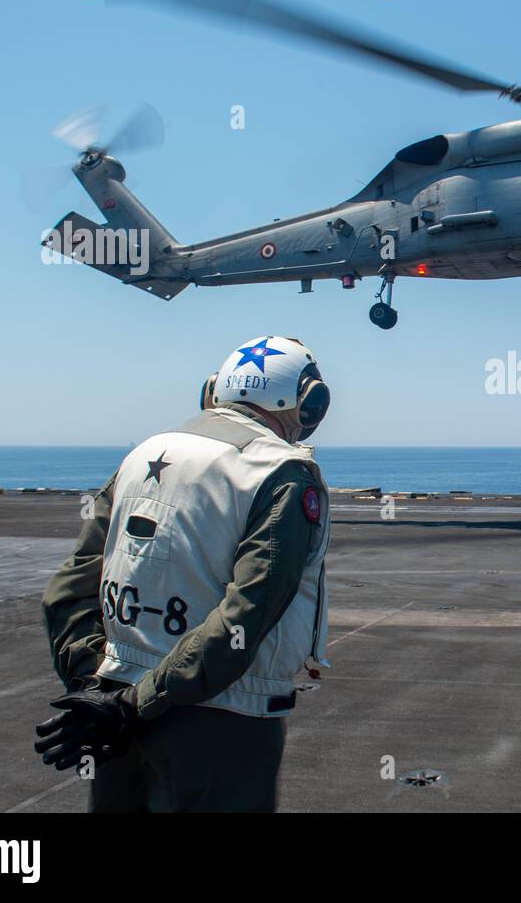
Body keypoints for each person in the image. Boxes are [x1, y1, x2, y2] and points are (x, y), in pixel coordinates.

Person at [36, 335, 333, 812]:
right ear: (309, 401)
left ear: (214, 390)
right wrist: (134, 703)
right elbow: (246, 616)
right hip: (225, 717)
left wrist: (92, 687)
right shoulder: (280, 472)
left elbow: (73, 582)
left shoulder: (145, 453)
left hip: (113, 714)